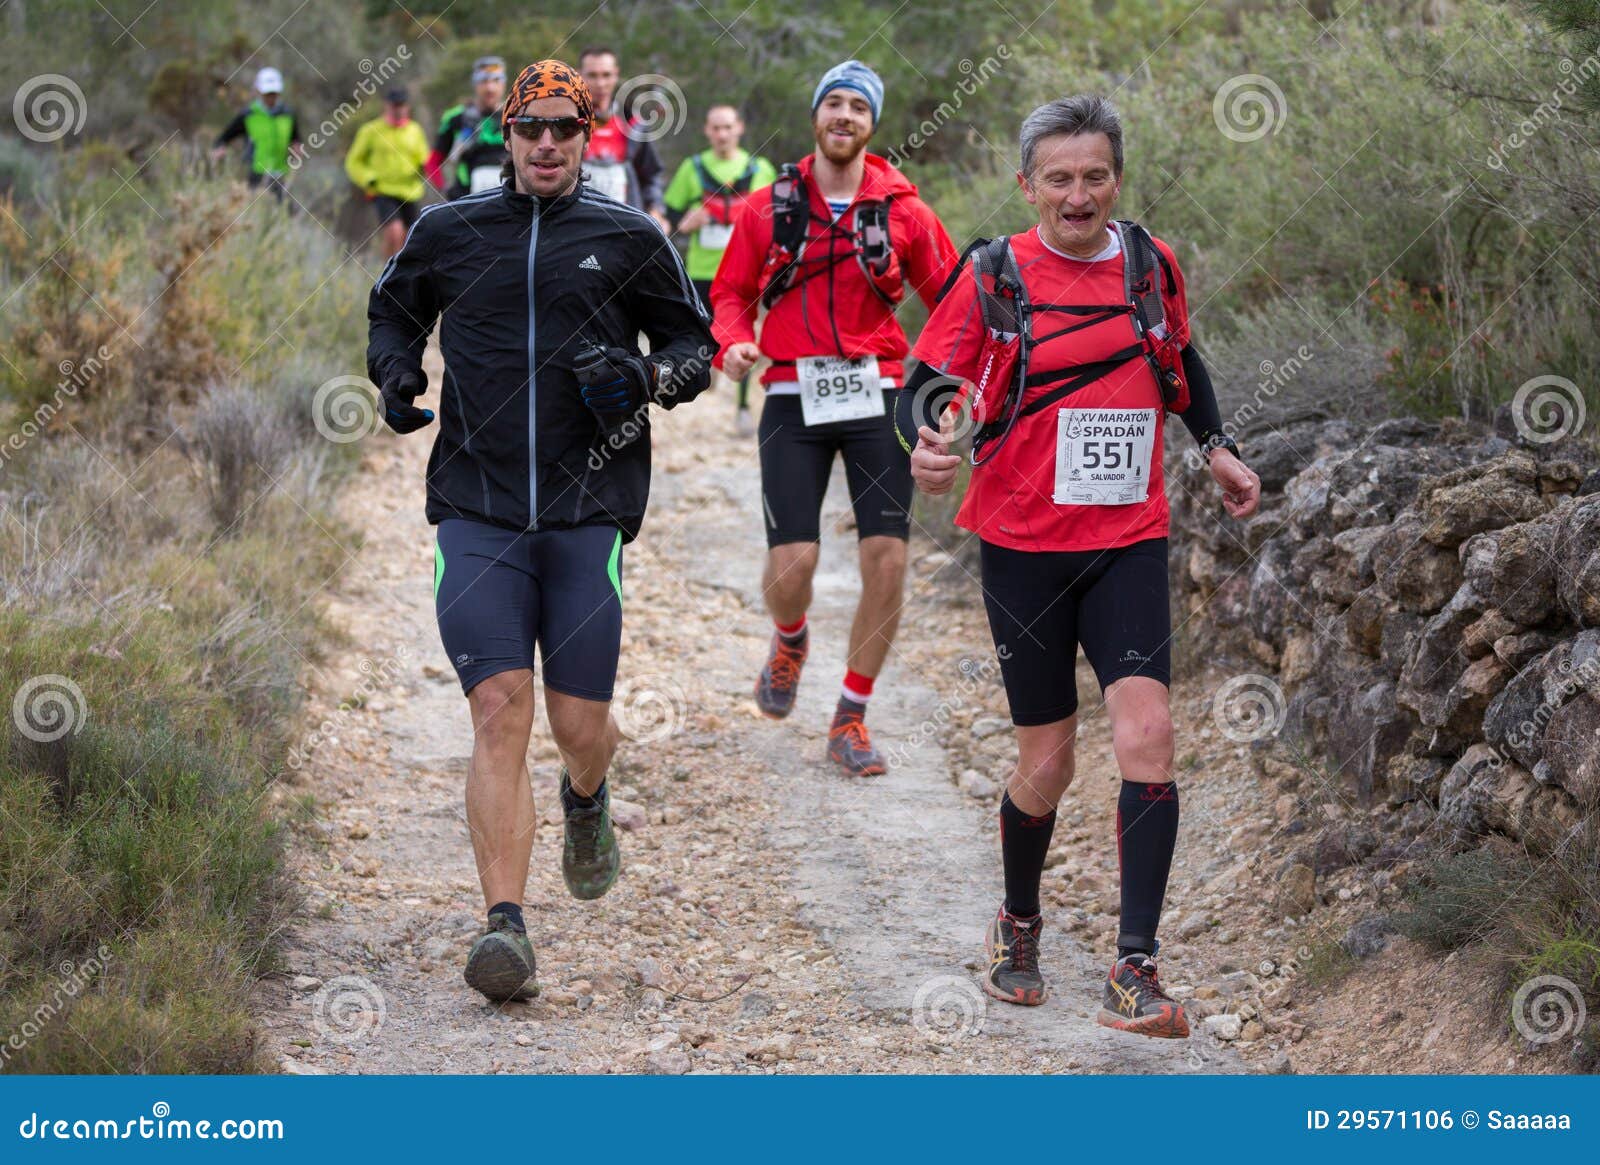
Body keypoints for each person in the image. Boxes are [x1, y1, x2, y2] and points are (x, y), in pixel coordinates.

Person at [900, 95, 1262, 1037]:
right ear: (1028, 186)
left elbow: (1181, 361)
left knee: (1148, 733)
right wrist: (931, 444)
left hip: (1128, 538)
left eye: (1093, 175)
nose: (1077, 194)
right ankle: (1019, 920)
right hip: (1022, 547)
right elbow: (929, 383)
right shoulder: (992, 276)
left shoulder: (1149, 264)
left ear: (1116, 179)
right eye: (1058, 178)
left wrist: (1215, 444)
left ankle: (1134, 968)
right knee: (1048, 762)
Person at [365, 60, 715, 1003]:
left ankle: (587, 797)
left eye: (567, 129)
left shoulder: (629, 235)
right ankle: (505, 929)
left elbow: (697, 351)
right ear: (506, 137)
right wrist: (394, 376)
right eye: (532, 130)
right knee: (498, 708)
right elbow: (393, 312)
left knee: (578, 725)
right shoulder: (449, 230)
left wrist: (645, 380)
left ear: (590, 135)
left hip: (584, 512)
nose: (548, 144)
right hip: (475, 508)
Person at [712, 60, 958, 776]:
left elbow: (954, 309)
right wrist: (733, 344)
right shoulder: (767, 207)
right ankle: (790, 638)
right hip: (792, 392)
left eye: (858, 106)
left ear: (871, 125)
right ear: (816, 117)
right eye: (833, 103)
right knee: (795, 563)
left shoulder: (906, 211)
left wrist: (939, 397)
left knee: (887, 557)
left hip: (879, 392)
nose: (843, 115)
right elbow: (728, 293)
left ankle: (851, 714)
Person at [662, 104, 776, 436]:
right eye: (716, 128)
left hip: (745, 270)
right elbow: (668, 217)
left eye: (728, 127)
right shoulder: (692, 168)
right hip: (702, 268)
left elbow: (777, 217)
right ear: (707, 131)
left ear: (739, 128)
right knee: (703, 334)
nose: (722, 134)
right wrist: (685, 223)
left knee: (744, 337)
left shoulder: (760, 169)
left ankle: (741, 407)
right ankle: (700, 391)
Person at [577, 46, 668, 228]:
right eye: (592, 75)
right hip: (579, 223)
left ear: (616, 75)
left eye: (606, 75)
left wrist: (656, 209)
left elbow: (651, 174)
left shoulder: (633, 124)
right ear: (579, 76)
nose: (600, 83)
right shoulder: (568, 124)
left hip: (625, 226)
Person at [345, 87, 431, 259]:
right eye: (394, 105)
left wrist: (428, 168)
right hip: (383, 190)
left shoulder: (415, 130)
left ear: (407, 107)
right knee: (394, 232)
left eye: (402, 105)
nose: (398, 109)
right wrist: (368, 179)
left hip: (410, 192)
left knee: (411, 238)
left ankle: (404, 276)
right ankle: (388, 272)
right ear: (386, 106)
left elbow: (424, 158)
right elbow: (353, 161)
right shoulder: (371, 130)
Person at [211, 67, 302, 206]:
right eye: (267, 93)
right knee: (255, 212)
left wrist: (297, 148)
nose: (271, 97)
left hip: (281, 175)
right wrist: (219, 149)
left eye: (274, 93)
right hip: (255, 175)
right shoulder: (248, 115)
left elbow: (295, 138)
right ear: (259, 91)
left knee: (285, 213)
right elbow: (224, 138)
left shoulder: (288, 114)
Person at [427, 56, 509, 200]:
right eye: (483, 81)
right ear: (475, 84)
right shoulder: (456, 118)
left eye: (496, 80)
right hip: (466, 199)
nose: (490, 88)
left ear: (504, 84)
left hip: (508, 199)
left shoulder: (514, 116)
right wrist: (446, 191)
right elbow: (433, 163)